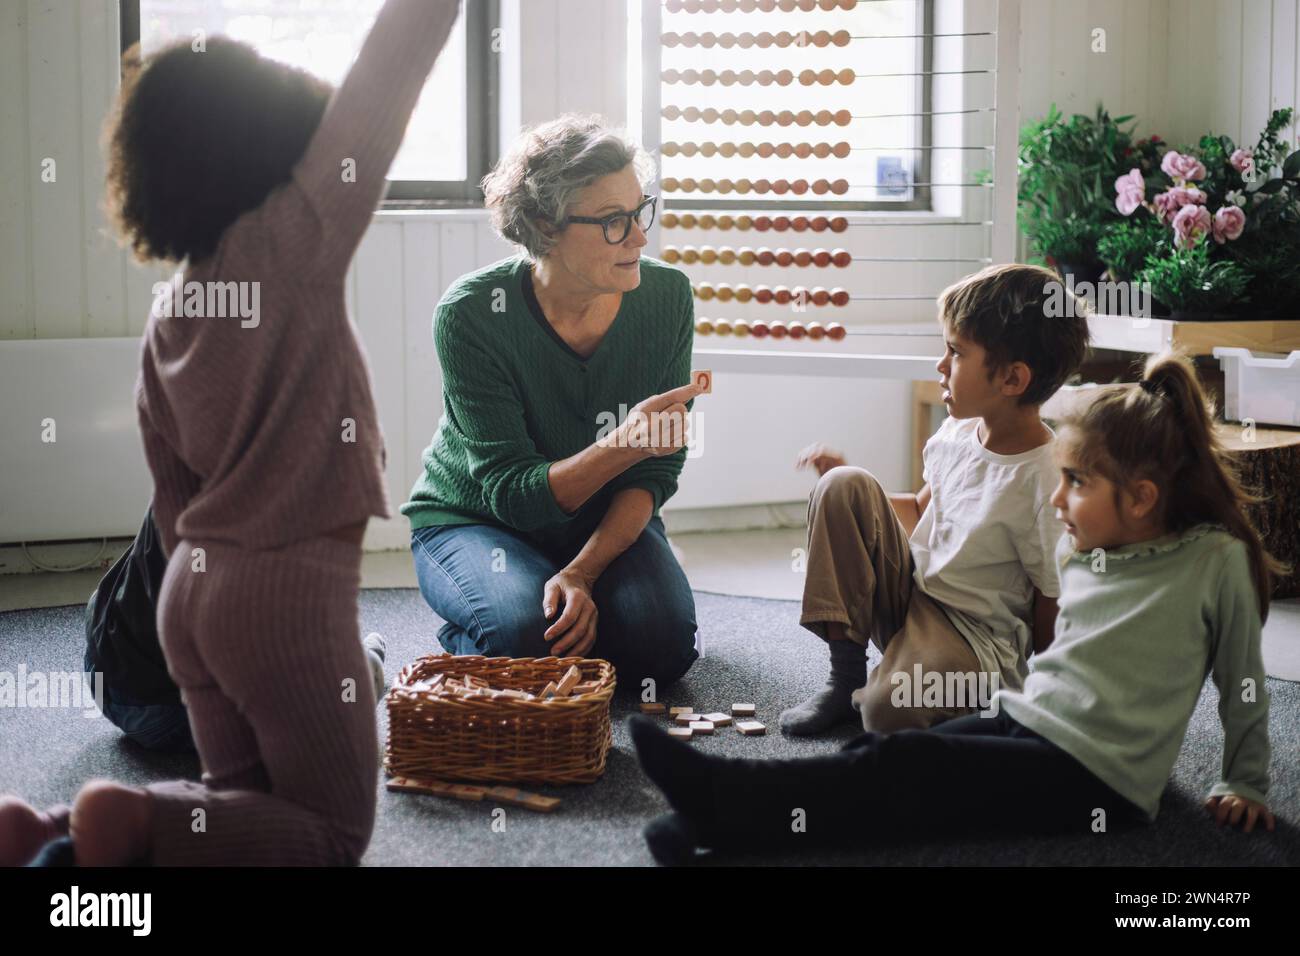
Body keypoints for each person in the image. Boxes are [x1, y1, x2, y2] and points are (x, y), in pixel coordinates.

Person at [0, 0, 460, 867]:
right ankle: (130, 822)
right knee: (331, 834)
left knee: (238, 810)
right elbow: (389, 69)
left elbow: (174, 509)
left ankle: (61, 836)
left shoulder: (169, 317)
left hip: (190, 603)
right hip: (286, 597)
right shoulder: (299, 236)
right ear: (277, 150)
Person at [630, 351, 1278, 865]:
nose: (1059, 501)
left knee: (912, 768)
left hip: (1098, 780)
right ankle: (711, 823)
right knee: (877, 762)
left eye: (1075, 483)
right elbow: (1064, 666)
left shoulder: (1211, 562)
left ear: (1141, 498)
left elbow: (1243, 683)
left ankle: (722, 795)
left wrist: (1244, 782)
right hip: (1030, 722)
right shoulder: (1091, 549)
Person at [404, 114, 703, 692]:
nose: (640, 238)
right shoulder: (471, 314)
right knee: (526, 636)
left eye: (641, 211)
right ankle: (484, 636)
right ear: (546, 224)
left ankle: (547, 614)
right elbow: (516, 498)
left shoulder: (666, 296)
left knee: (662, 643)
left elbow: (656, 469)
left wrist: (582, 572)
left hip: (599, 515)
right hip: (478, 520)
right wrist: (623, 442)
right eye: (614, 222)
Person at [781, 263, 1090, 735]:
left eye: (956, 353)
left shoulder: (1043, 478)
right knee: (843, 484)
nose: (940, 365)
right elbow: (924, 510)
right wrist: (854, 492)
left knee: (886, 711)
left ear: (1012, 379)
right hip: (914, 595)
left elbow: (1051, 601)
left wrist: (1044, 704)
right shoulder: (957, 432)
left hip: (973, 639)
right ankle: (845, 679)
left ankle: (939, 693)